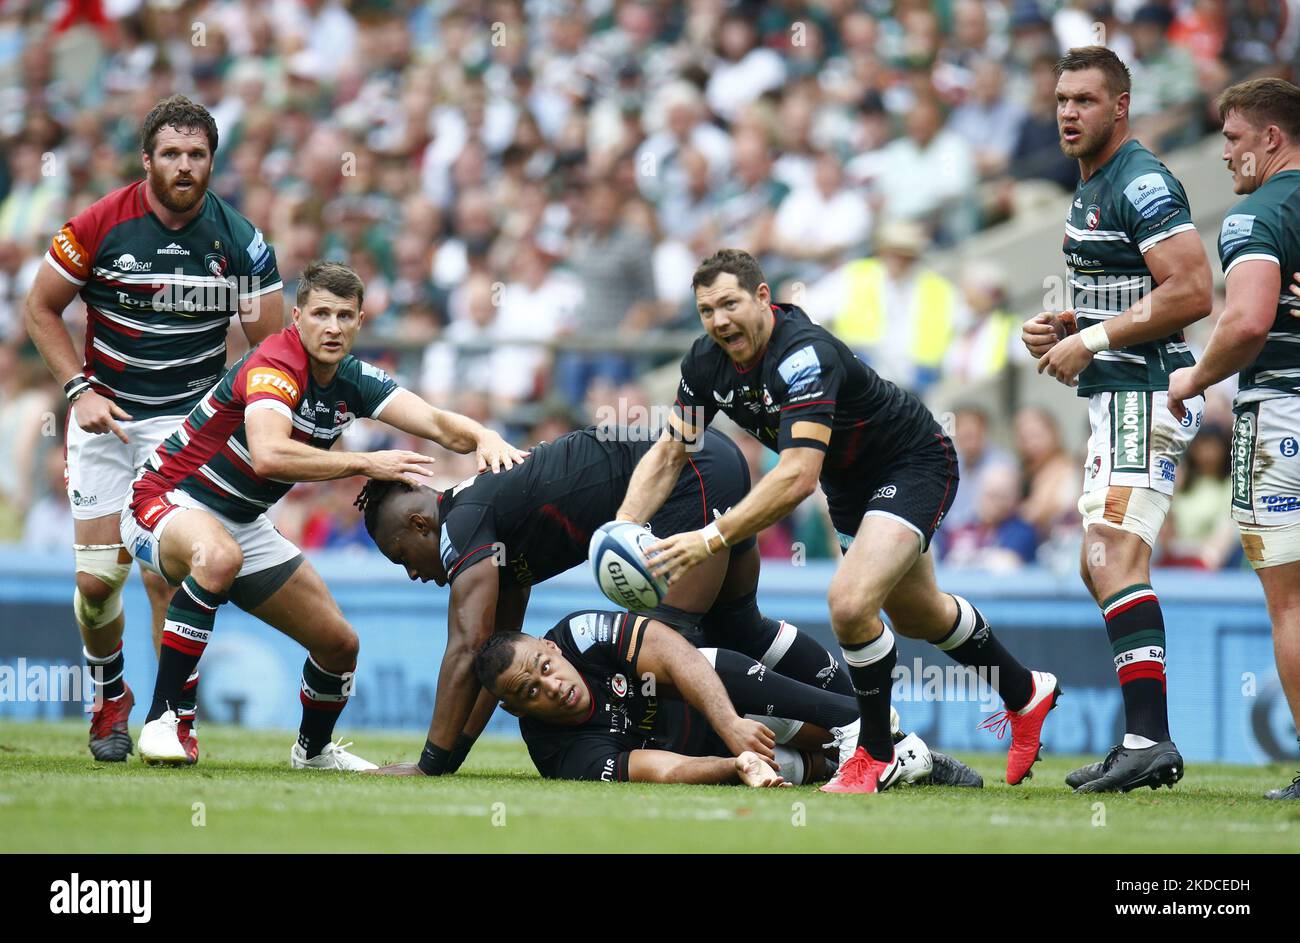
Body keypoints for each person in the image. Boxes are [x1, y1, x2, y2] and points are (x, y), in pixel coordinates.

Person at [616, 248, 1058, 794]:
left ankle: (875, 752)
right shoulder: (705, 363)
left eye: (729, 303)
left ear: (762, 297)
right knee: (919, 615)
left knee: (850, 604)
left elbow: (798, 476)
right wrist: (623, 528)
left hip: (911, 460)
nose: (719, 320)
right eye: (706, 310)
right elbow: (669, 453)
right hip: (849, 486)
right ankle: (1024, 691)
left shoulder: (803, 354)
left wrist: (708, 539)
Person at [119, 261, 525, 768]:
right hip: (165, 498)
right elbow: (269, 453)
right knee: (218, 556)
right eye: (321, 314)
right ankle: (164, 719)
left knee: (338, 645)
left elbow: (437, 423)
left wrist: (485, 437)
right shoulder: (274, 364)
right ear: (297, 317)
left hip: (242, 519)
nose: (333, 327)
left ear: (359, 323)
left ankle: (313, 753)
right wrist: (363, 461)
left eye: (345, 316)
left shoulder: (353, 380)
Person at [353, 424, 855, 777]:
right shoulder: (490, 533)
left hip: (684, 475)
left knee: (678, 655)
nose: (414, 574)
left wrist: (429, 766)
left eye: (404, 557)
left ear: (420, 525)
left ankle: (856, 733)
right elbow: (489, 660)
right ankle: (865, 715)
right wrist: (453, 754)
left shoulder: (462, 526)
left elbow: (463, 649)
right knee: (741, 629)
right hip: (708, 460)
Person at [22, 95, 284, 761]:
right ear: (147, 160)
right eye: (171, 153)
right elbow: (40, 307)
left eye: (196, 154)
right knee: (95, 581)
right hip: (103, 415)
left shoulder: (243, 243)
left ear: (212, 162)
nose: (184, 165)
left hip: (187, 429)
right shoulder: (99, 224)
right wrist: (76, 388)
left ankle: (170, 719)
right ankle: (111, 694)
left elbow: (275, 351)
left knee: (168, 574)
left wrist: (252, 424)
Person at [1023, 47, 1215, 793]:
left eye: (1086, 100)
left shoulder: (1138, 178)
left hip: (1143, 391)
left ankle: (1148, 739)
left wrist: (1093, 340)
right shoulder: (1090, 186)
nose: (1069, 111)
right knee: (1098, 559)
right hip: (1118, 394)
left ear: (1121, 106)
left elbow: (1194, 290)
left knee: (1111, 555)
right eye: (1062, 98)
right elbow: (1140, 292)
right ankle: (1145, 736)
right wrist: (1071, 323)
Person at [1166, 78, 1300, 800]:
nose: (1224, 154)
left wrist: (1193, 378)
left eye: (1233, 137)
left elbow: (1248, 321)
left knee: (1291, 604)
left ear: (1271, 139)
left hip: (1281, 416)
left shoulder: (1258, 216)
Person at [473, 611, 982, 789]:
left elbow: (676, 651)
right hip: (695, 746)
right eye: (530, 692)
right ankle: (883, 750)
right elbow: (665, 771)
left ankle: (861, 723)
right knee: (796, 767)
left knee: (712, 657)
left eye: (544, 668)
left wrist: (733, 725)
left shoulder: (579, 635)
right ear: (514, 710)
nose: (552, 686)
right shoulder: (559, 755)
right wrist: (734, 761)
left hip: (717, 692)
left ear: (550, 648)